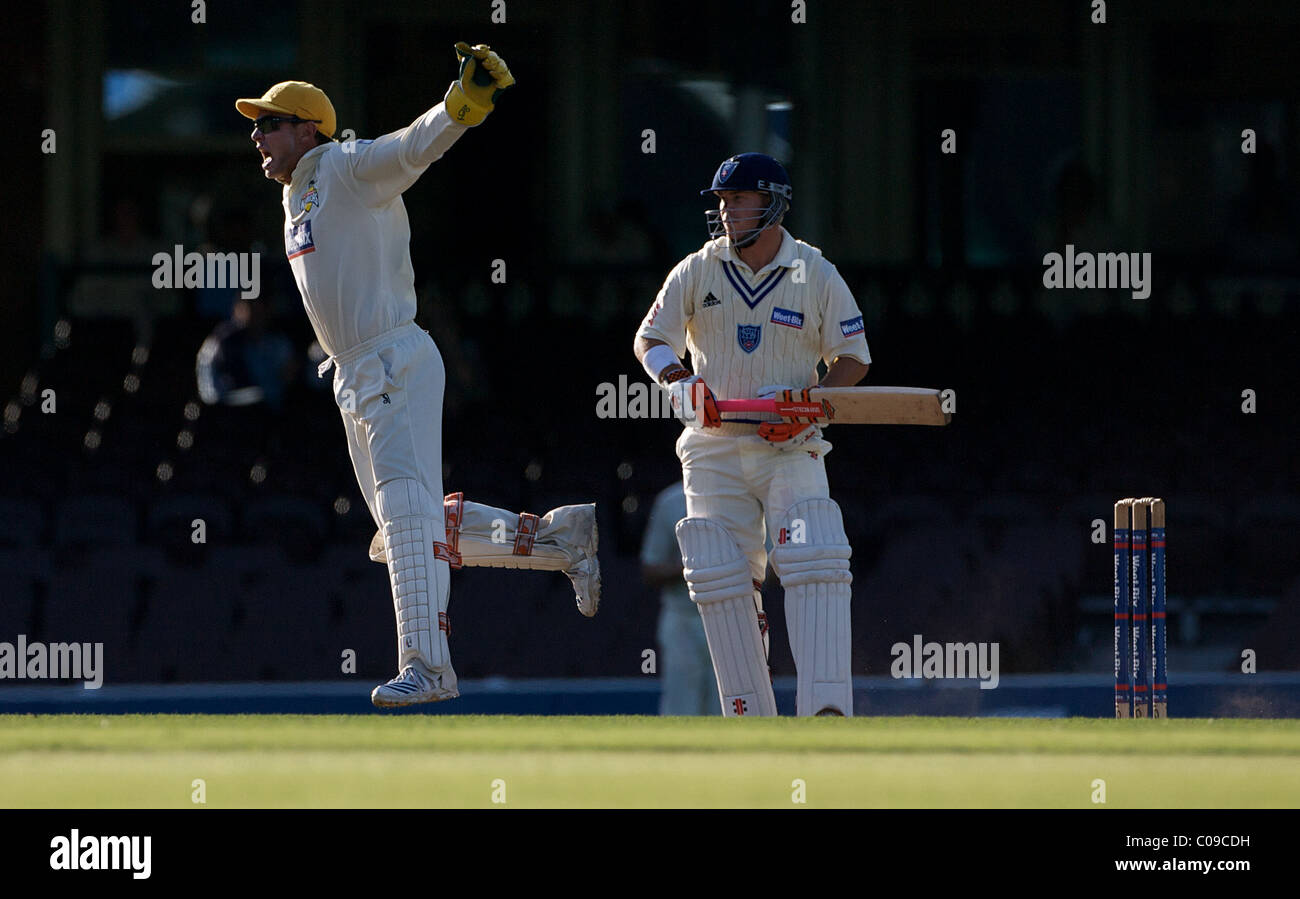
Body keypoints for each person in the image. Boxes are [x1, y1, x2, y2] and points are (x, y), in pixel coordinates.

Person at [237, 43, 600, 709]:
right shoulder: (299, 195)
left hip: (391, 357)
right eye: (255, 125)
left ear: (307, 126)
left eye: (269, 123)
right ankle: (558, 538)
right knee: (402, 533)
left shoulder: (343, 164)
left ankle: (428, 666)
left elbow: (411, 148)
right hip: (355, 374)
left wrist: (463, 104)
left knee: (407, 519)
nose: (256, 135)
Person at [632, 153, 870, 717]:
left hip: (790, 443)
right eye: (722, 202)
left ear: (773, 203)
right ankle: (748, 717)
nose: (726, 211)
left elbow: (854, 357)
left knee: (813, 558)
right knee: (722, 578)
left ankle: (826, 710)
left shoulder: (815, 271)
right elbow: (651, 338)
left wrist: (810, 404)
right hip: (713, 442)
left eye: (737, 200)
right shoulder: (697, 268)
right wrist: (678, 378)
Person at [640, 481, 716, 715]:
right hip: (682, 620)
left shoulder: (744, 494)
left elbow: (767, 567)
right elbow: (650, 569)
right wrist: (692, 568)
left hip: (734, 619)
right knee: (681, 706)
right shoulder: (670, 500)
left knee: (728, 707)